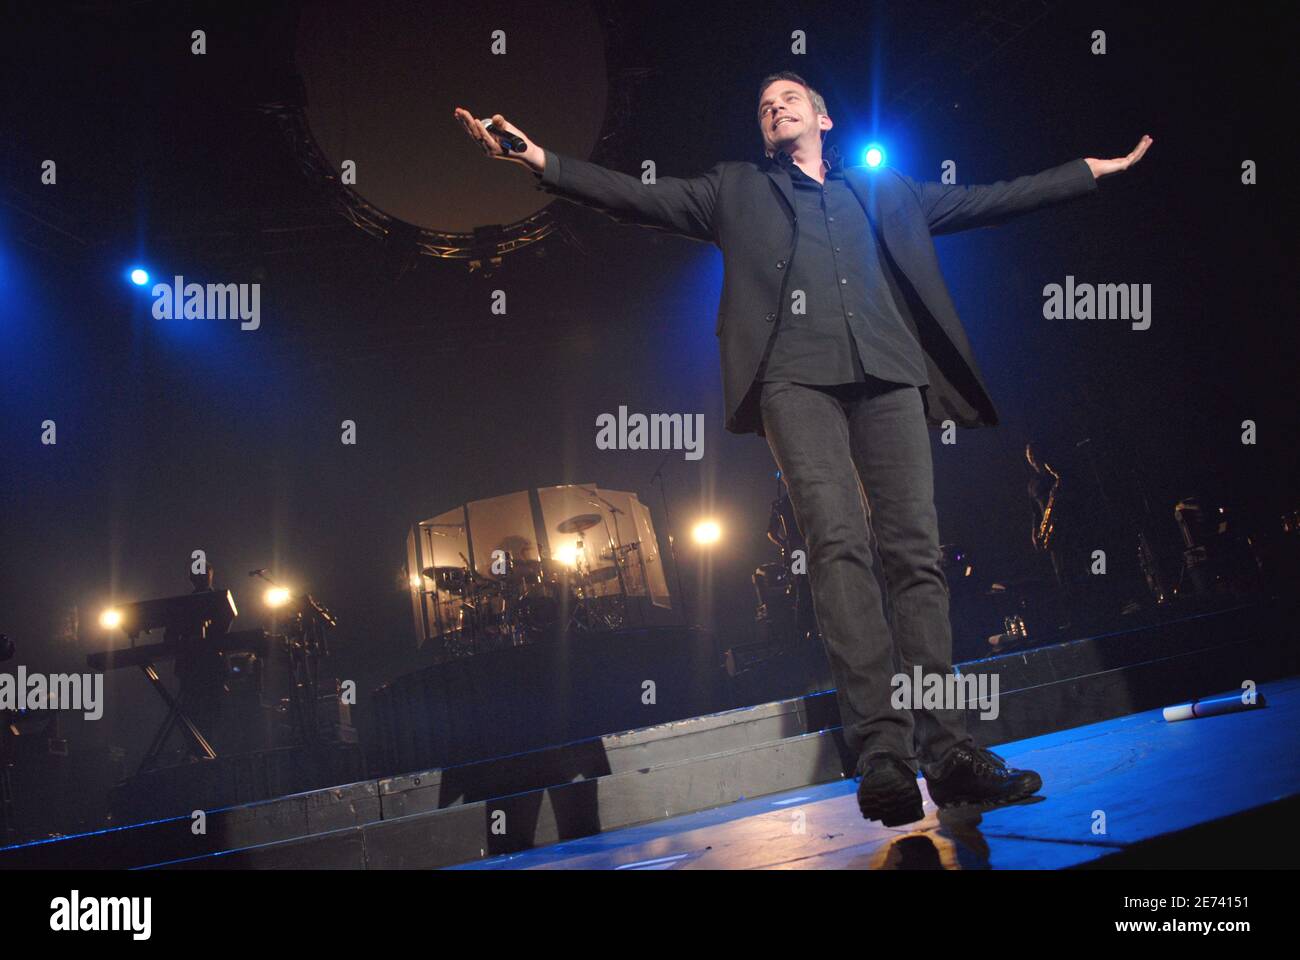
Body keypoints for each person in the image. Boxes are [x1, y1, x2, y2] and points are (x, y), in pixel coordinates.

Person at [454, 72, 1152, 825]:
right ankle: (882, 753)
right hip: (794, 383)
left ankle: (948, 751)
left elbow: (993, 198)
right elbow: (636, 196)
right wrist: (538, 159)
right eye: (762, 106)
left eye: (788, 99)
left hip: (891, 376)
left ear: (821, 116)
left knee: (915, 555)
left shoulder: (890, 192)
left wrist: (1089, 173)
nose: (774, 108)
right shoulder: (735, 189)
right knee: (837, 547)